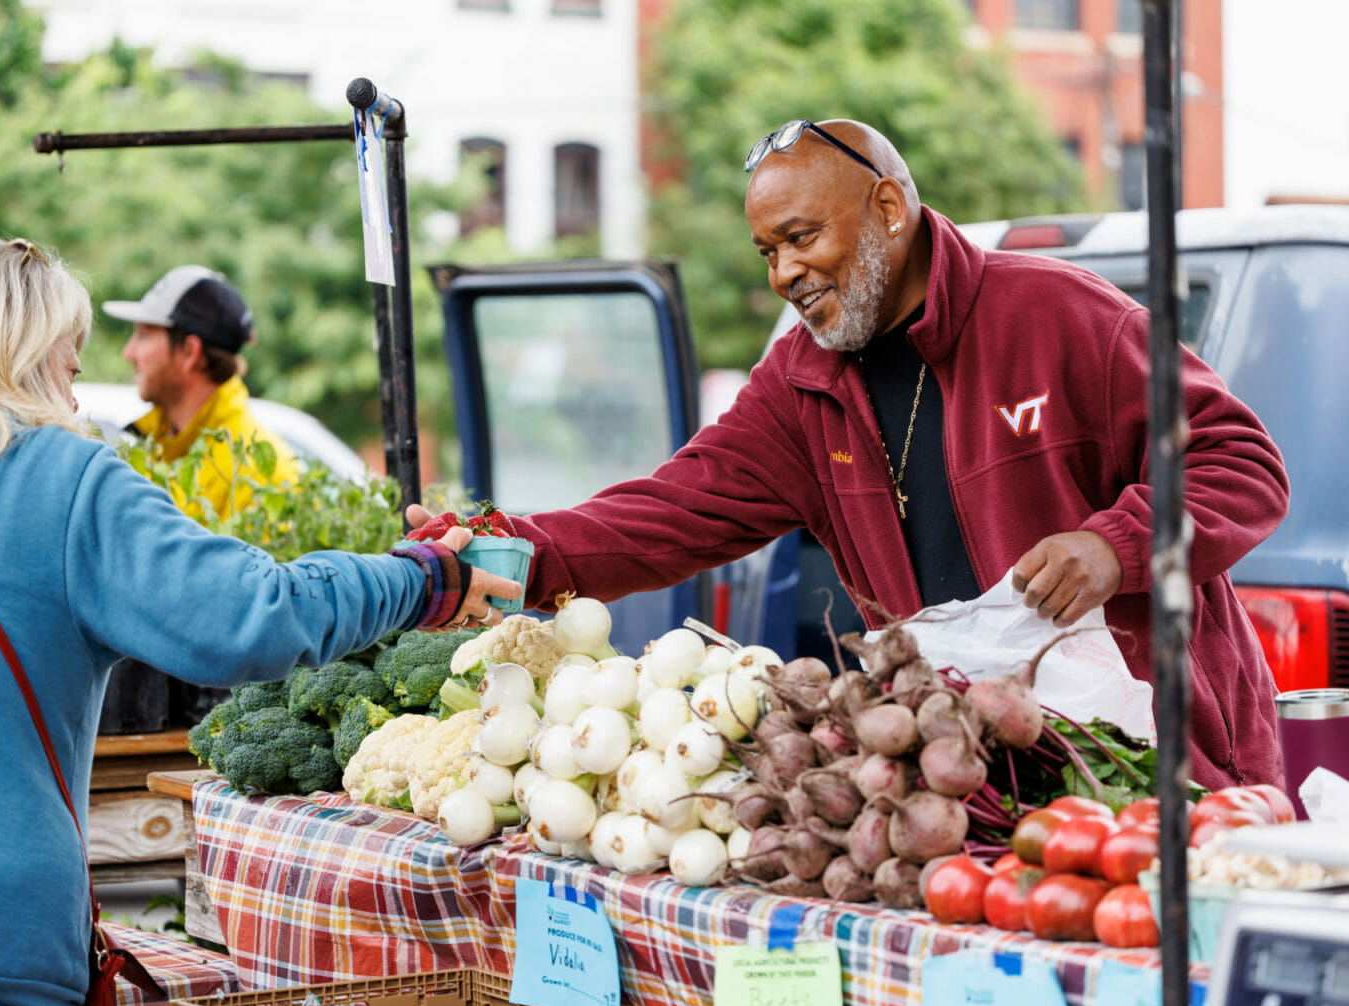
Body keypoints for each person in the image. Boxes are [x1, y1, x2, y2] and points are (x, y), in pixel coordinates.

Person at [410, 118, 1289, 792]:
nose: (783, 274)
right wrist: (498, 550)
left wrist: (1116, 545)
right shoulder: (796, 386)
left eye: (801, 238)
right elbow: (659, 515)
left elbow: (1239, 459)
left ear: (890, 210)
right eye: (767, 252)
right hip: (977, 778)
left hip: (1160, 763)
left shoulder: (1062, 317)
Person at [0, 224, 519, 1006]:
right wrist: (423, 578)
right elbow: (253, 618)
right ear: (12, 353)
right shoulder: (59, 478)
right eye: (65, 366)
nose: (74, 399)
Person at [102, 264, 298, 518]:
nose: (128, 353)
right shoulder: (150, 448)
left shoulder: (265, 475)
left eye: (143, 335)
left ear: (189, 352)